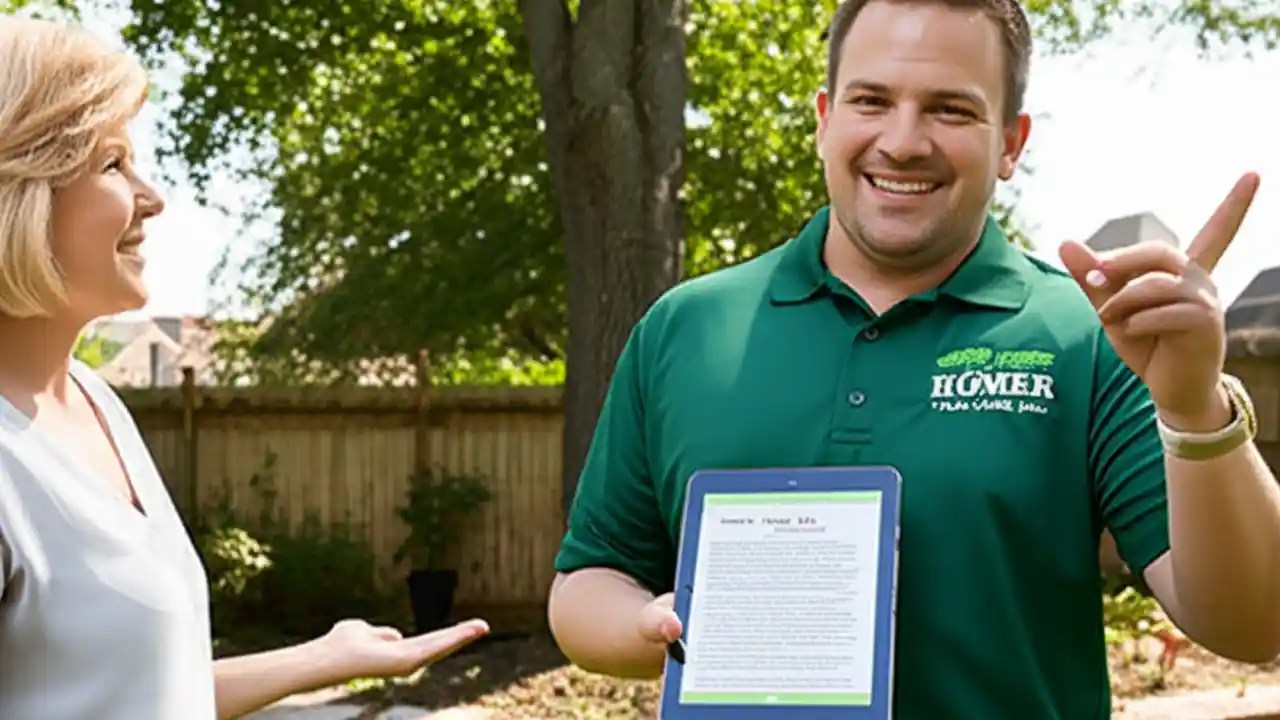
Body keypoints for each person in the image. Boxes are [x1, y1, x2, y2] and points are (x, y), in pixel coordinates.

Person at [547, 0, 1280, 717]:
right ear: (823, 119)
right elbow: (587, 583)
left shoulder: (1091, 334)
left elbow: (1253, 625)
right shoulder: (686, 328)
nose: (902, 140)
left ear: (1011, 144)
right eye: (872, 100)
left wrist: (1192, 409)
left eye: (950, 110)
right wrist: (649, 629)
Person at [0, 17, 489, 720]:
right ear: (20, 188)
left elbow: (144, 695)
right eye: (112, 164)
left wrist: (328, 656)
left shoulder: (98, 404)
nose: (152, 196)